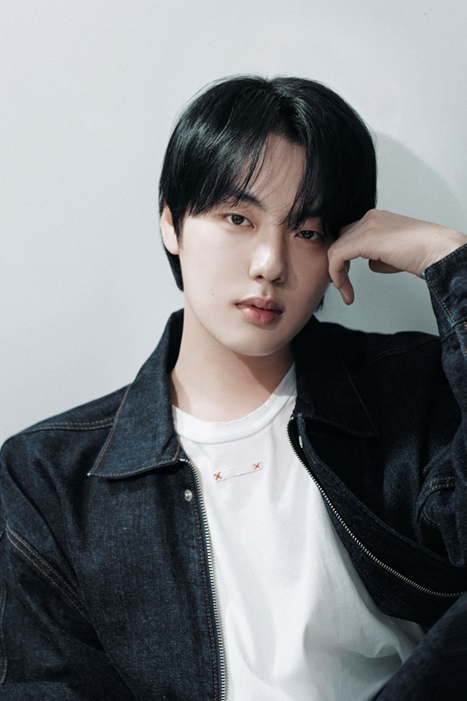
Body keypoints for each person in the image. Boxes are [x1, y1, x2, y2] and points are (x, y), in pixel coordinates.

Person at [0, 75, 466, 701]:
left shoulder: (411, 392)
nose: (270, 263)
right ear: (172, 224)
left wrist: (449, 256)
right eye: (238, 218)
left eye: (308, 231)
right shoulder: (50, 477)